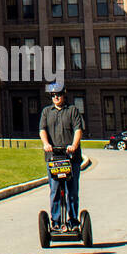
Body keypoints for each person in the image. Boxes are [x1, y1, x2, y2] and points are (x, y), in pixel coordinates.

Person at [39, 83, 84, 229]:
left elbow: (78, 130)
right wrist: (46, 144)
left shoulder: (73, 110)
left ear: (64, 95)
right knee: (55, 189)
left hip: (71, 158)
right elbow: (42, 130)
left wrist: (74, 146)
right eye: (53, 95)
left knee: (72, 190)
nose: (56, 97)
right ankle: (56, 221)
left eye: (58, 94)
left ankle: (73, 221)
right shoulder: (46, 112)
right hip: (53, 158)